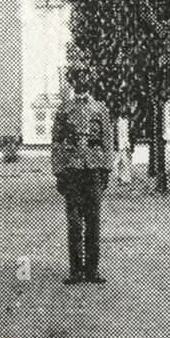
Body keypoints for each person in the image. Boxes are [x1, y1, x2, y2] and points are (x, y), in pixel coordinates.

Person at [52, 90, 110, 285]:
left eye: (85, 76)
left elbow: (107, 140)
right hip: (73, 171)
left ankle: (92, 271)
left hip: (93, 169)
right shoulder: (64, 109)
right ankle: (76, 271)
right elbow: (57, 141)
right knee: (74, 223)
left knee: (93, 221)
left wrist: (106, 169)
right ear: (72, 80)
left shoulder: (100, 108)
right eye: (77, 76)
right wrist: (59, 171)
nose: (81, 81)